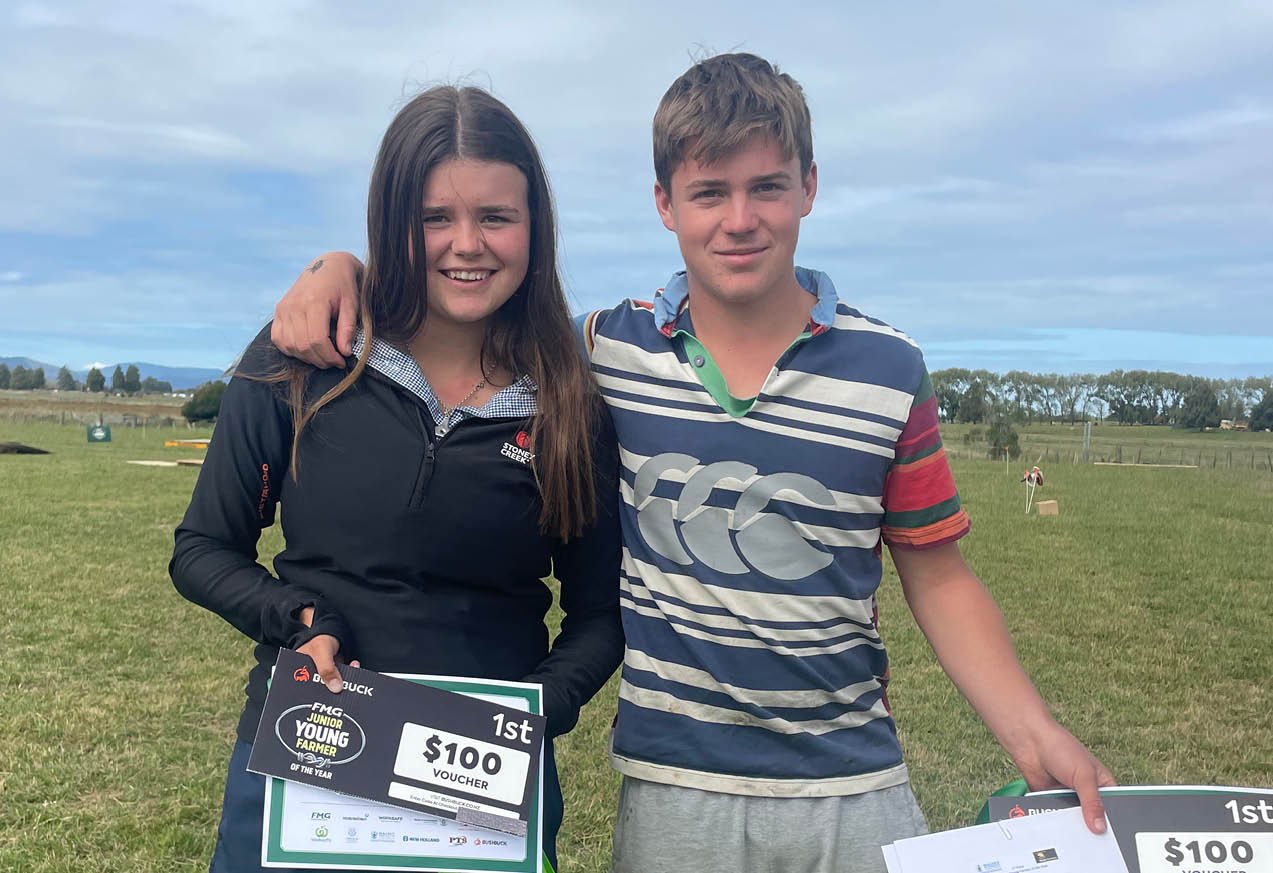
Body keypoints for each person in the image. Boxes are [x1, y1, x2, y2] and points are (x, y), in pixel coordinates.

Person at [269, 54, 1115, 873]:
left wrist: (1032, 732)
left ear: (808, 187)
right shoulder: (603, 353)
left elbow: (939, 578)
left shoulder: (889, 369)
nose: (738, 220)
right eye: (709, 192)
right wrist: (340, 268)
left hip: (853, 781)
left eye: (766, 187)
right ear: (664, 204)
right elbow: (466, 296)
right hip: (675, 787)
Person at [170, 85, 623, 873]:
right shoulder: (302, 358)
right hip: (306, 758)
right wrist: (299, 616)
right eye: (433, 217)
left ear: (535, 226)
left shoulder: (569, 400)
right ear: (389, 222)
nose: (466, 245)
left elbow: (598, 612)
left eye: (496, 216)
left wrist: (542, 706)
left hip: (480, 783)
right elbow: (202, 548)